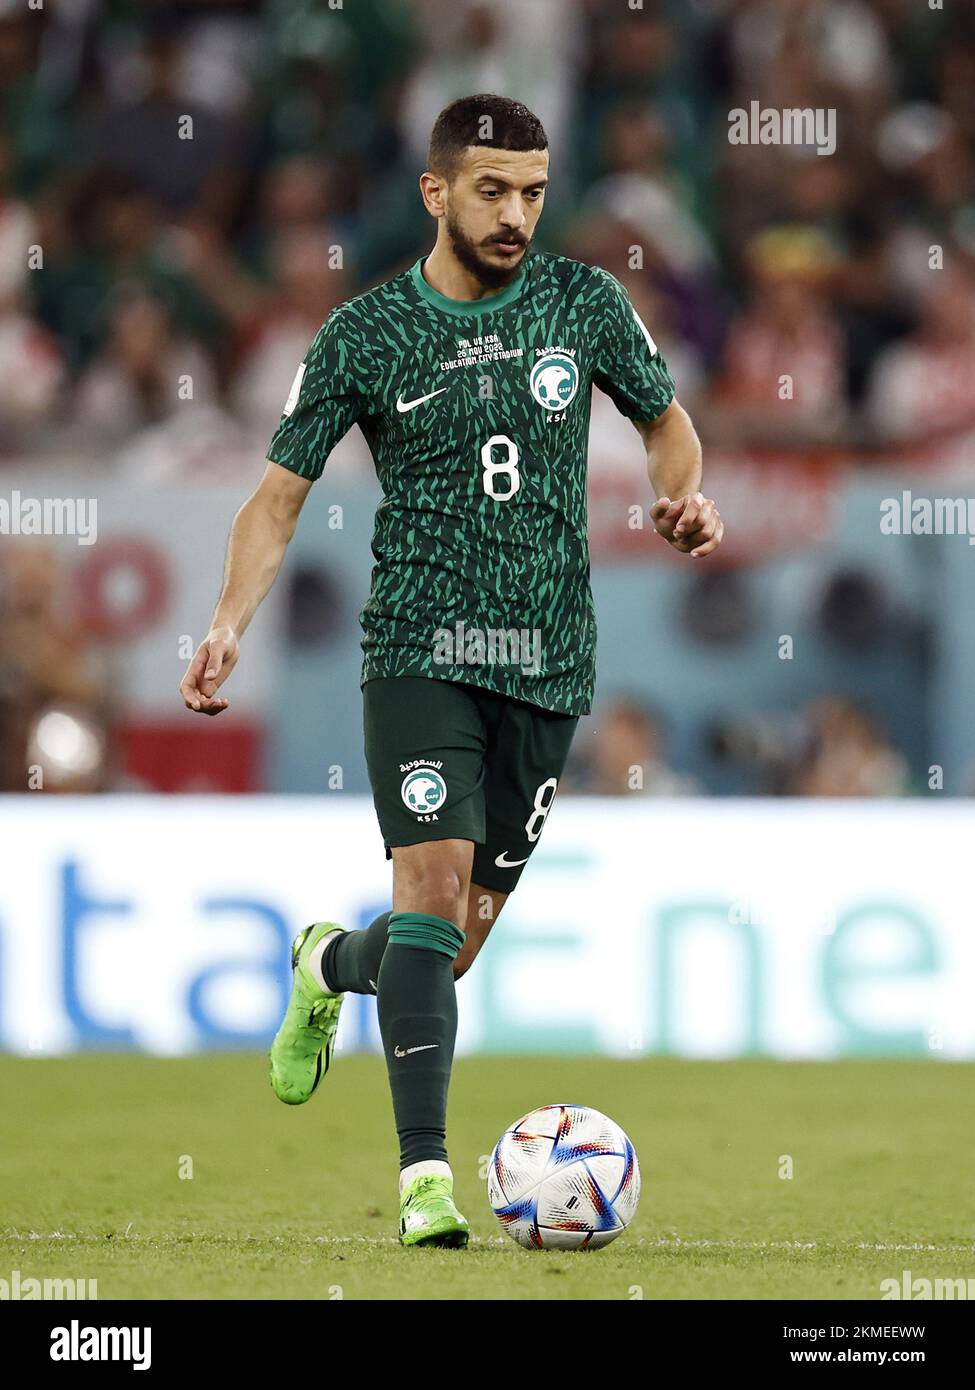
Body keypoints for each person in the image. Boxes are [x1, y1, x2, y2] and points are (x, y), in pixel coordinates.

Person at [179, 94, 723, 1248]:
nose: (516, 211)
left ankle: (325, 965)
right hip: (419, 648)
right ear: (436, 192)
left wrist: (681, 492)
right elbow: (277, 499)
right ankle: (424, 1179)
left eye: (531, 190)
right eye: (491, 189)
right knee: (428, 893)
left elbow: (669, 424)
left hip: (549, 662)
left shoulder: (586, 304)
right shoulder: (365, 335)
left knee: (445, 948)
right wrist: (229, 620)